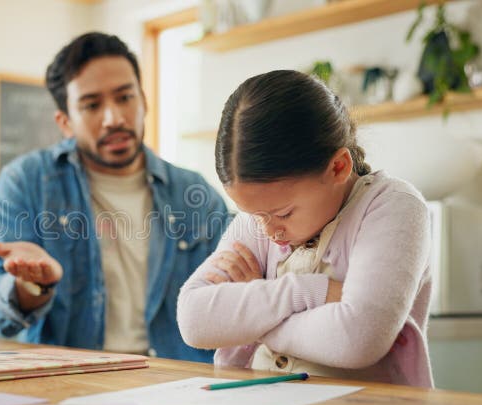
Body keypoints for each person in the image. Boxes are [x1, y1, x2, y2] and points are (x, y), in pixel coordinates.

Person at [0, 32, 228, 362]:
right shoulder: (25, 182)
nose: (114, 118)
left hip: (177, 381)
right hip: (70, 382)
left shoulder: (196, 195)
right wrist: (31, 286)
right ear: (65, 122)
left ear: (144, 101)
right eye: (92, 105)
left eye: (125, 97)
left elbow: (232, 300)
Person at [176, 70, 433, 387]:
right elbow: (193, 320)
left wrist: (249, 315)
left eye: (283, 214)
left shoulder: (393, 207)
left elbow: (357, 340)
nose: (270, 231)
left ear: (338, 167)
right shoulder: (262, 215)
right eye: (255, 216)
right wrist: (315, 292)